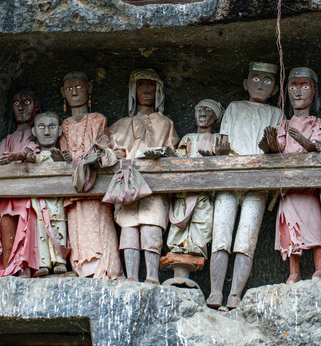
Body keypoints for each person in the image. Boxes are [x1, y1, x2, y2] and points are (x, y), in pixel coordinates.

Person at [209, 62, 283, 308]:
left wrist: (269, 148)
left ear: (274, 89)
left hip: (258, 180)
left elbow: (276, 149)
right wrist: (220, 151)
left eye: (268, 80)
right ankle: (215, 291)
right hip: (231, 175)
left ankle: (235, 295)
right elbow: (224, 141)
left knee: (246, 239)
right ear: (245, 83)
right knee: (221, 233)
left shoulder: (276, 113)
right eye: (255, 78)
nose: (261, 84)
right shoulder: (234, 107)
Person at [106, 69, 179, 284]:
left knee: (152, 227)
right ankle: (131, 278)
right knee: (128, 228)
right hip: (127, 184)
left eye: (151, 84)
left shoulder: (166, 123)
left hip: (154, 185)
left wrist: (163, 154)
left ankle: (152, 277)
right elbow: (108, 150)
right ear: (132, 89)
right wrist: (114, 154)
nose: (147, 89)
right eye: (141, 84)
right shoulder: (119, 125)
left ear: (159, 90)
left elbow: (174, 150)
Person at [260, 67, 321, 282]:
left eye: (304, 86)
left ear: (314, 91)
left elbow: (319, 147)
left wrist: (302, 140)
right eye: (293, 87)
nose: (298, 92)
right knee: (290, 229)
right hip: (288, 186)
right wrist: (268, 143)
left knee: (315, 224)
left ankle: (319, 269)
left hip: (310, 186)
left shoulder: (318, 122)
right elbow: (278, 147)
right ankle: (294, 272)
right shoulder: (284, 124)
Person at [58, 72, 123, 280]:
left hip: (95, 181)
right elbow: (61, 151)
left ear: (89, 88)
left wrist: (94, 157)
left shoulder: (98, 120)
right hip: (75, 185)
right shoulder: (63, 126)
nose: (74, 92)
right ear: (62, 93)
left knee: (101, 225)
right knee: (77, 227)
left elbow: (105, 146)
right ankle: (83, 272)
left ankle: (108, 270)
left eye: (78, 87)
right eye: (69, 89)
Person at [163, 99, 229, 288]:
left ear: (216, 118)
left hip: (204, 195)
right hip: (184, 193)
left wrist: (217, 160)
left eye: (209, 110)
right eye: (200, 109)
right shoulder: (187, 138)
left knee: (200, 231)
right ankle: (178, 267)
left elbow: (224, 166)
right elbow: (180, 159)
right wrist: (173, 158)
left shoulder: (219, 139)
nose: (203, 113)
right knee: (178, 232)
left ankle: (190, 268)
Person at [0, 91, 41, 277]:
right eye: (16, 103)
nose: (22, 107)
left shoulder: (38, 133)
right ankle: (8, 269)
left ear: (37, 106)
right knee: (6, 230)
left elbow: (33, 151)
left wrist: (17, 156)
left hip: (27, 194)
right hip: (8, 195)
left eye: (27, 102)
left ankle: (24, 268)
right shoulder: (9, 138)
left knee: (26, 229)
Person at [24, 112, 70, 277]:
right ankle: (43, 262)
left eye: (51, 126)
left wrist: (62, 163)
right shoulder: (34, 155)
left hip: (57, 200)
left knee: (59, 227)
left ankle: (60, 261)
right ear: (34, 131)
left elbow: (70, 175)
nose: (47, 132)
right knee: (40, 230)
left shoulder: (63, 154)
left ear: (59, 130)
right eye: (41, 127)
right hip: (40, 200)